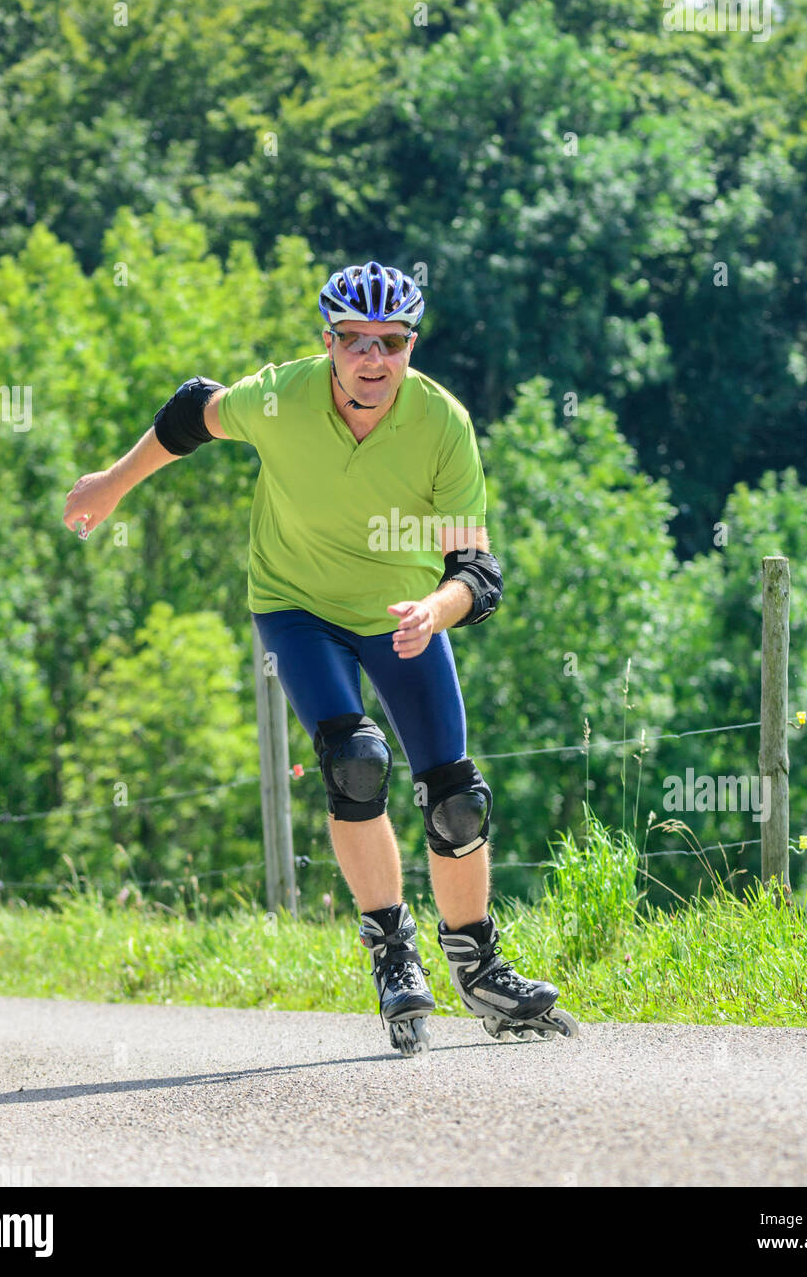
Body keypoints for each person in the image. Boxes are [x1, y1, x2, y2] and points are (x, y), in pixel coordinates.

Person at [63, 261, 577, 1055]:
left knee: (457, 800)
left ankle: (478, 964)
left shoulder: (442, 424)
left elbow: (478, 571)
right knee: (355, 760)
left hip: (400, 616)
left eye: (392, 342)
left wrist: (434, 611)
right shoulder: (280, 398)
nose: (373, 359)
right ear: (327, 343)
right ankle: (394, 951)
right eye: (354, 341)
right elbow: (189, 411)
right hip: (297, 608)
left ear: (412, 344)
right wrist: (113, 484)